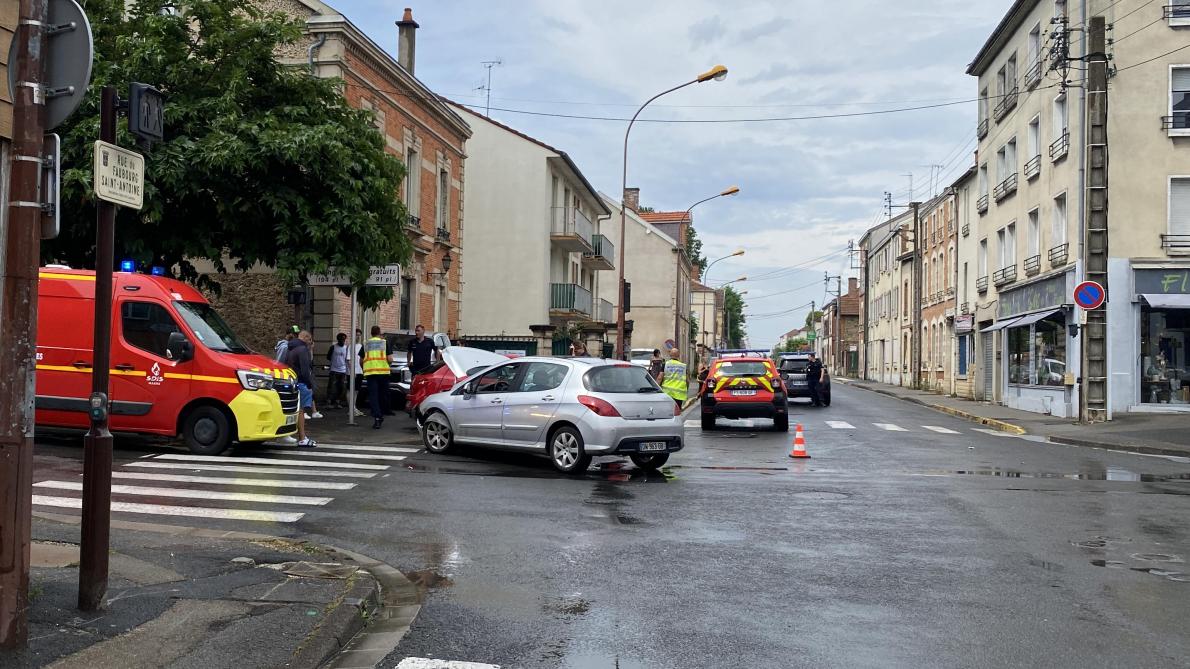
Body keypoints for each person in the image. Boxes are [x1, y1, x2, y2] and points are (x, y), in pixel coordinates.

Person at [284, 330, 317, 447]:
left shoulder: (290, 348)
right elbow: (305, 369)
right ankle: (302, 437)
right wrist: (309, 384)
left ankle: (287, 434)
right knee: (301, 411)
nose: (310, 342)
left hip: (292, 381)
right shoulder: (303, 349)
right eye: (310, 339)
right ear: (305, 338)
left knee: (294, 410)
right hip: (302, 382)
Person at [361, 325, 390, 429]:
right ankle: (381, 413)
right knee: (382, 395)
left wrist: (365, 368)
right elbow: (390, 359)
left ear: (371, 333)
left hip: (370, 373)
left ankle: (377, 418)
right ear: (379, 332)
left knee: (373, 397)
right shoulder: (384, 343)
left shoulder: (366, 343)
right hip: (383, 373)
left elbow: (361, 360)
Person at [326, 332, 349, 408]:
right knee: (331, 386)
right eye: (341, 340)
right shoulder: (333, 347)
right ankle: (329, 402)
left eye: (344, 340)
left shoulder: (346, 348)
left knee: (341, 387)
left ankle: (337, 401)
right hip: (334, 370)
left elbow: (347, 359)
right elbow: (328, 357)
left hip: (343, 370)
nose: (342, 341)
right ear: (338, 340)